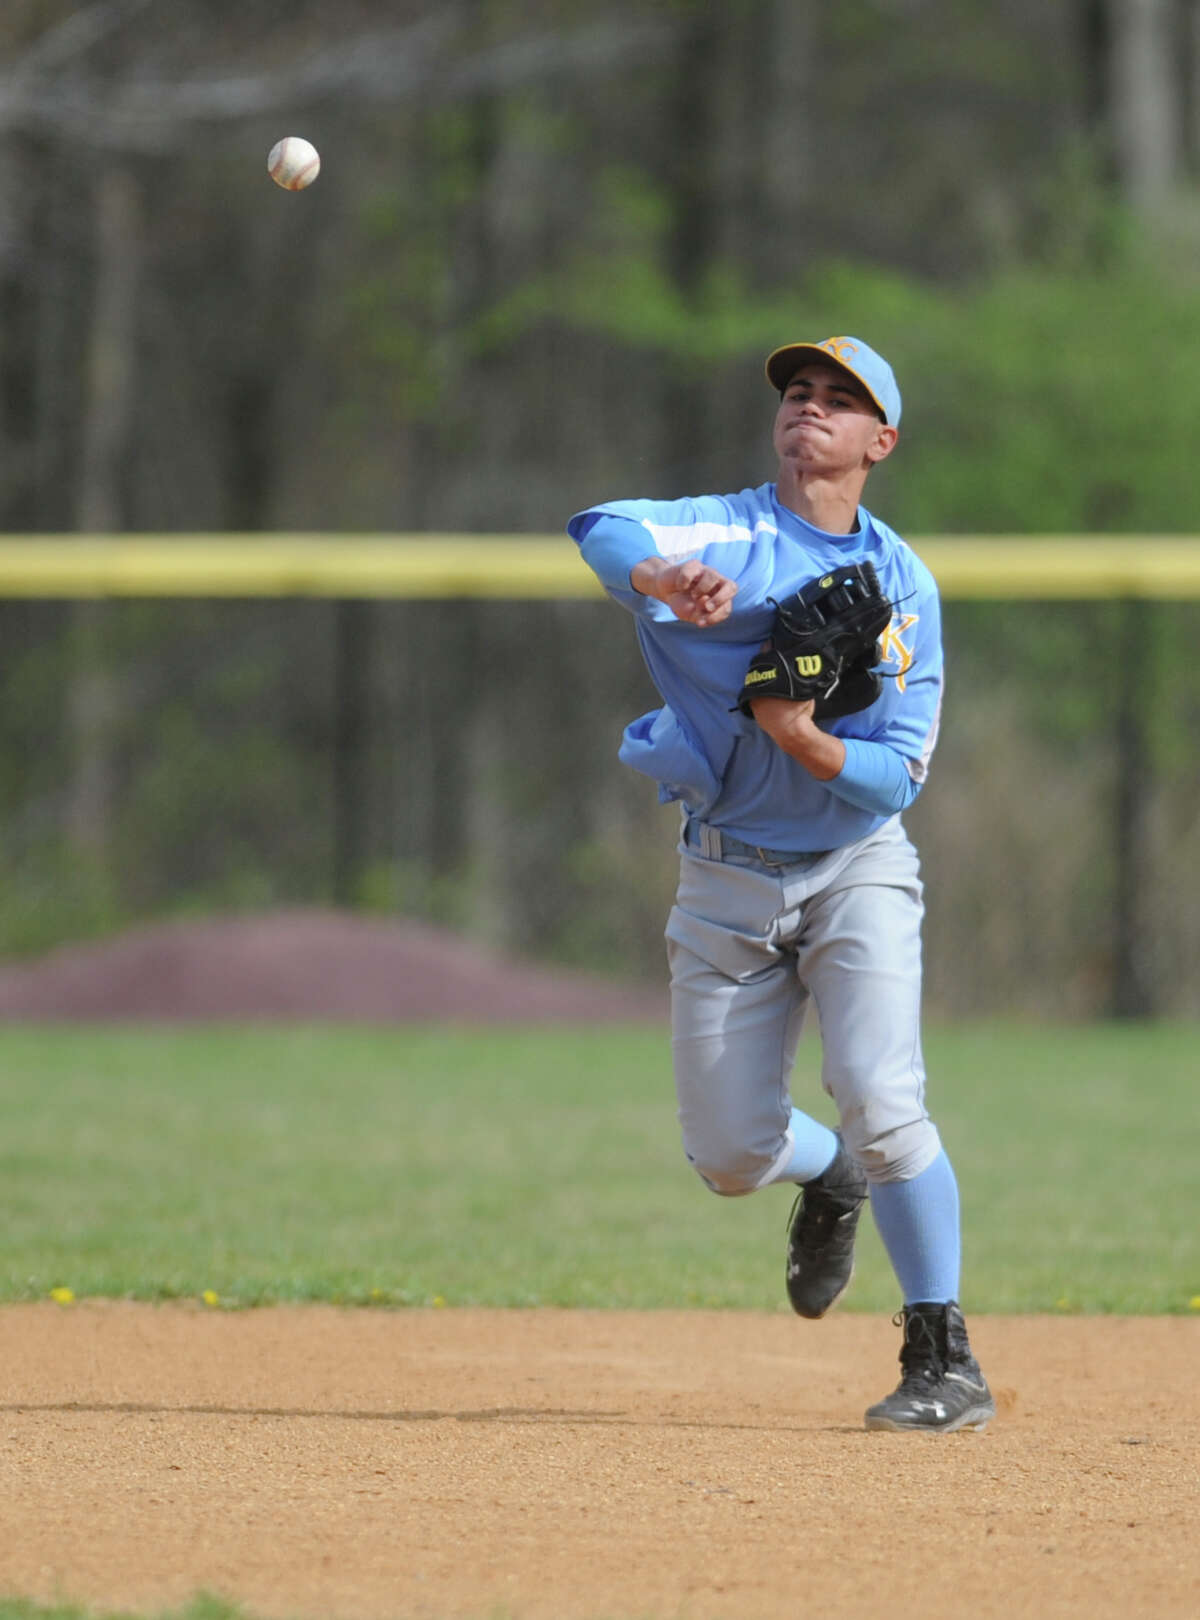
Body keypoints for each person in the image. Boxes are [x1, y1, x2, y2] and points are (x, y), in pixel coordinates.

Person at [567, 335, 994, 1433]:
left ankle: (943, 1354)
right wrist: (656, 576)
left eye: (840, 400)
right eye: (799, 392)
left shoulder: (906, 586)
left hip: (856, 867)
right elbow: (601, 528)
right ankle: (830, 1174)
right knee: (728, 1155)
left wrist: (799, 738)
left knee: (886, 1098)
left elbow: (897, 773)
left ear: (878, 442)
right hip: (724, 873)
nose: (811, 407)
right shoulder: (726, 531)